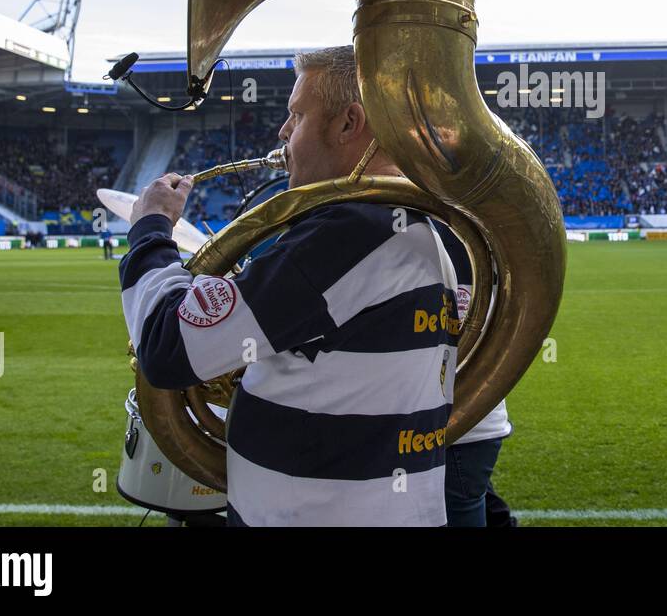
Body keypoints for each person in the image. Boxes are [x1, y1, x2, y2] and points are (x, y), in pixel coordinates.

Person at [120, 46, 460, 526]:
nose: (282, 132)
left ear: (349, 124)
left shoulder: (351, 234)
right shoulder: (409, 228)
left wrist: (151, 230)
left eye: (296, 115)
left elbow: (165, 347)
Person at [431, 221, 516, 527]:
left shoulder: (432, 235)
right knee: (474, 500)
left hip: (457, 425)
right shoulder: (492, 241)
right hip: (478, 419)